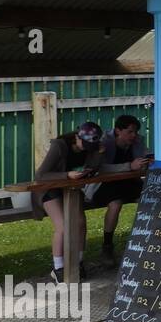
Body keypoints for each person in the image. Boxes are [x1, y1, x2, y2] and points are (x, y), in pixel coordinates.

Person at [32, 121, 104, 283]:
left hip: (71, 189)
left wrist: (98, 154)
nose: (86, 148)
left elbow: (93, 168)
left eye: (90, 147)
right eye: (84, 144)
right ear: (76, 137)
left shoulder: (91, 148)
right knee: (62, 227)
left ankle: (78, 262)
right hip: (49, 189)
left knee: (80, 222)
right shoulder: (59, 146)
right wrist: (66, 175)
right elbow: (40, 176)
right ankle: (58, 268)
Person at [88, 114, 152, 263]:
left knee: (150, 199)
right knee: (115, 204)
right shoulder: (104, 143)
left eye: (135, 132)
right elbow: (99, 168)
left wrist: (147, 162)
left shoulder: (138, 142)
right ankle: (107, 246)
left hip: (129, 182)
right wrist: (129, 166)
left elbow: (145, 156)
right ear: (118, 131)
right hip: (104, 185)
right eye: (130, 132)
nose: (134, 135)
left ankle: (147, 241)